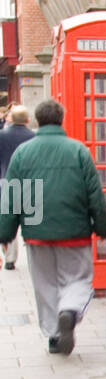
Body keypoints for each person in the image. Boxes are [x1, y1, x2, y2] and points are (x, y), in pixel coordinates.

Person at [0, 98, 106, 354]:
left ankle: (53, 335)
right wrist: (102, 226)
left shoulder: (23, 153)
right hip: (75, 229)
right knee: (78, 279)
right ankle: (69, 311)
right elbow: (94, 193)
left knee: (45, 285)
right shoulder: (78, 150)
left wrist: (6, 232)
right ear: (62, 119)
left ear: (37, 121)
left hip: (37, 229)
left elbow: (14, 197)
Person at [0, 105, 35, 269]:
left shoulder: (2, 136)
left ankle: (9, 258)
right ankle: (33, 256)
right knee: (32, 221)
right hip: (31, 183)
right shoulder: (33, 137)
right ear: (27, 120)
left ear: (11, 119)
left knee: (8, 220)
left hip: (7, 181)